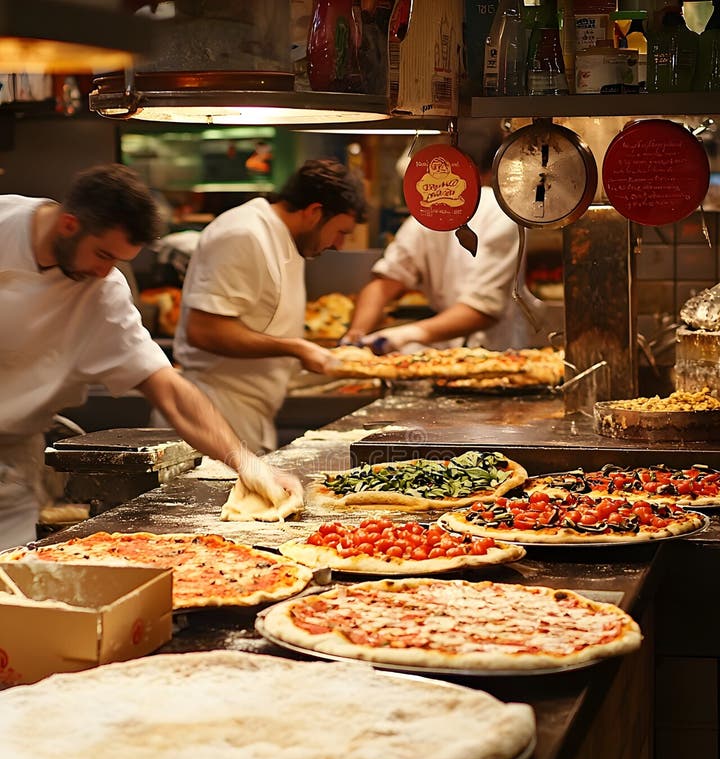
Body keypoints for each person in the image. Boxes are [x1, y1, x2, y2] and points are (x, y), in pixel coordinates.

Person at [0, 163, 301, 551]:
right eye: (103, 254)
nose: (105, 271)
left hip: (11, 457)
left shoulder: (102, 291)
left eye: (117, 261)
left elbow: (168, 389)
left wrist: (244, 461)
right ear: (69, 225)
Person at [170, 158, 367, 455]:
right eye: (341, 232)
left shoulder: (289, 240)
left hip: (248, 415)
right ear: (315, 212)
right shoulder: (245, 233)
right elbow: (203, 330)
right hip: (214, 412)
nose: (339, 244)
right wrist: (297, 349)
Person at [342, 134, 545, 354]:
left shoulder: (499, 212)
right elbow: (386, 281)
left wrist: (405, 334)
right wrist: (355, 336)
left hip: (500, 351)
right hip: (446, 352)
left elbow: (484, 308)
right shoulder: (421, 222)